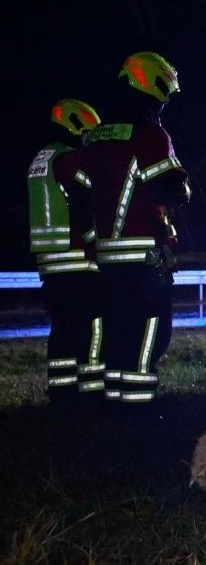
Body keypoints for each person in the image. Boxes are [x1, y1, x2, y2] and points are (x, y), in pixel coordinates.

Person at [84, 52, 190, 405]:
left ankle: (114, 404)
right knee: (149, 337)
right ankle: (138, 411)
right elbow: (169, 188)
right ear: (154, 84)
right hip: (143, 255)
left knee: (117, 337)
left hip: (106, 258)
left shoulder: (95, 136)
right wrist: (186, 185)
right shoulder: (149, 133)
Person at [28, 99, 106, 406]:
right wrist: (94, 241)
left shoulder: (41, 159)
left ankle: (62, 393)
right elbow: (85, 200)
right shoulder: (70, 159)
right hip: (77, 258)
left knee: (62, 329)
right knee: (93, 326)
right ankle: (90, 391)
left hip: (51, 261)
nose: (88, 142)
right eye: (87, 134)